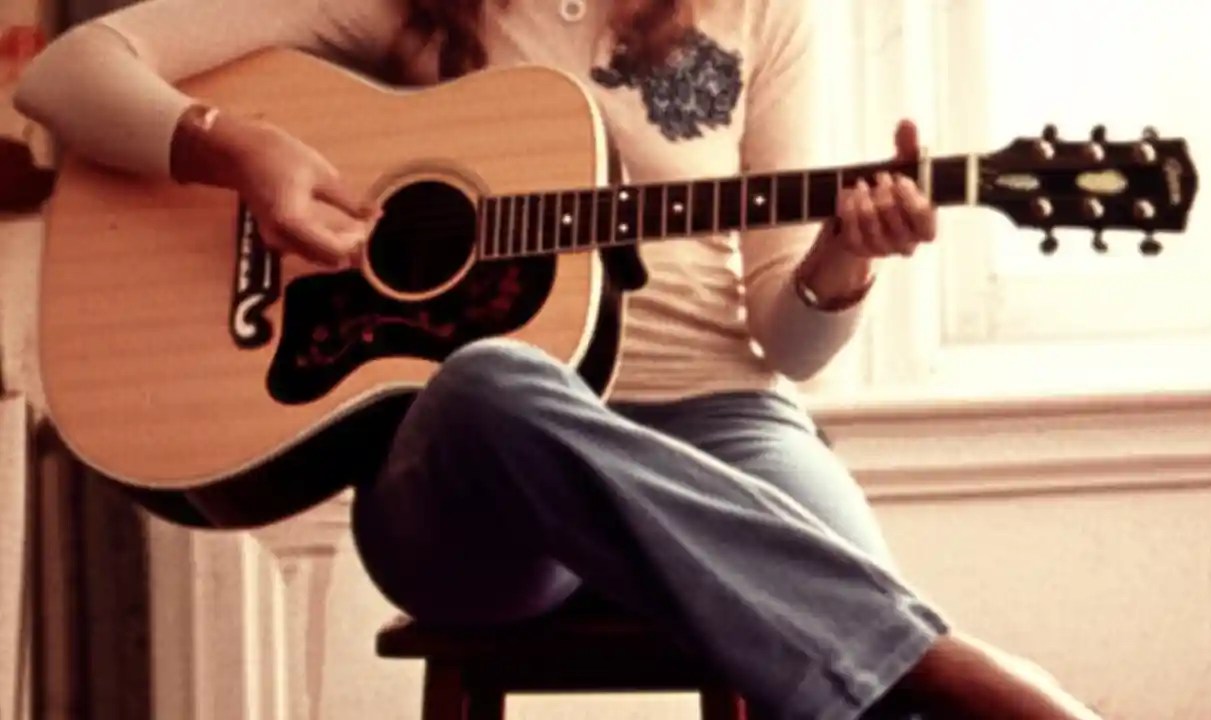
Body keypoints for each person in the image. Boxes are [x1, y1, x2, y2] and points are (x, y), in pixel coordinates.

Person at [14, 1, 1105, 717]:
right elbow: (68, 72)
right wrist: (238, 147)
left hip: (718, 425)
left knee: (848, 652)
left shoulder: (756, 10)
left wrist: (840, 262)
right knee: (494, 377)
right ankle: (945, 662)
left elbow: (788, 340)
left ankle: (911, 665)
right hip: (471, 474)